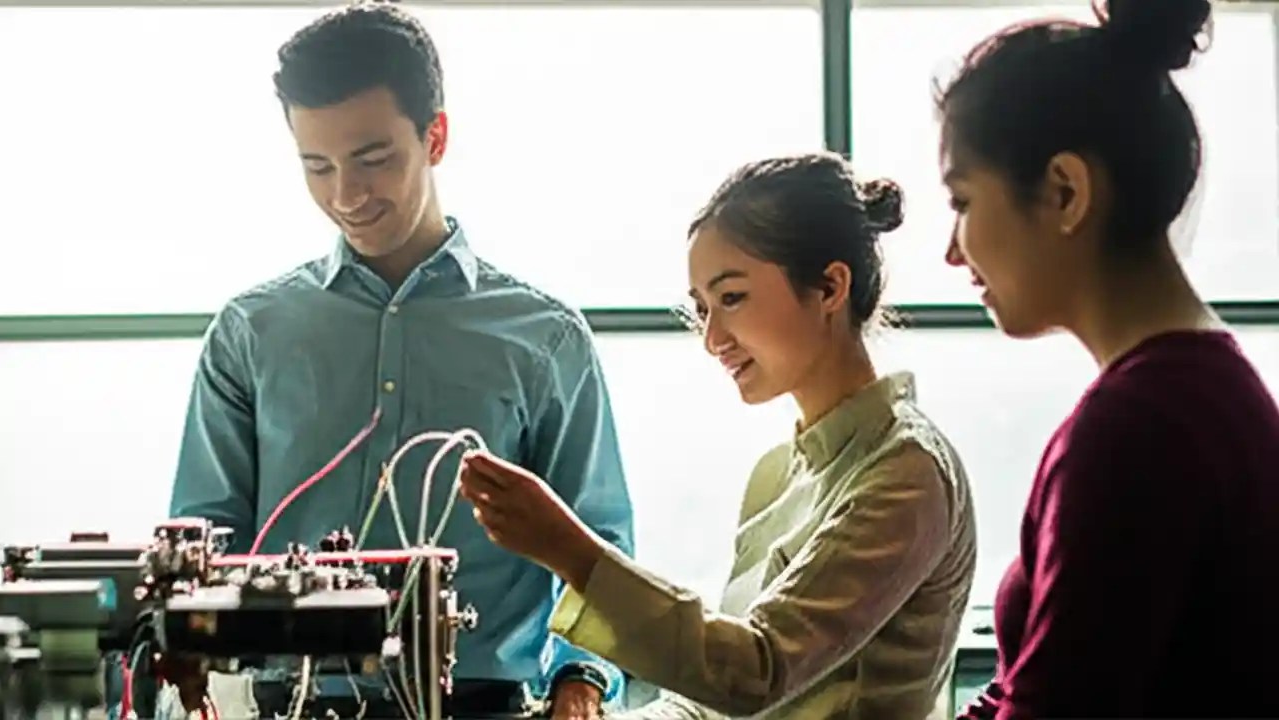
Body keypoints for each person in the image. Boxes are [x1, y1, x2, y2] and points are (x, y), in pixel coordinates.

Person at [165, 3, 635, 718]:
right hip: (288, 702)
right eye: (316, 166)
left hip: (484, 703)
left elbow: (598, 543)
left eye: (373, 159)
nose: (345, 196)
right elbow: (204, 534)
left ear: (435, 135)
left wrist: (581, 680)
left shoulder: (545, 339)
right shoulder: (249, 333)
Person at [458, 152, 979, 719]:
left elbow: (755, 672)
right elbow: (711, 706)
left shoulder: (907, 473)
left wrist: (571, 550)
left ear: (830, 287)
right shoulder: (780, 472)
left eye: (731, 298)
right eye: (701, 308)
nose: (712, 338)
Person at [934, 0, 1279, 717]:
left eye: (963, 200)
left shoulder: (1136, 432)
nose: (953, 250)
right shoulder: (1204, 393)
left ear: (1065, 191)